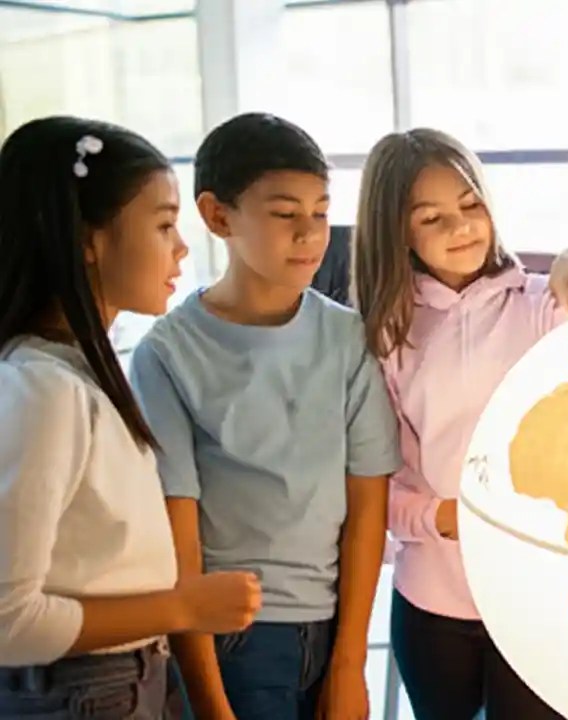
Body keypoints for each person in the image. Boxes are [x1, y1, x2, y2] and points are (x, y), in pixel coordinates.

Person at [128, 113, 401, 720]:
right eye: (284, 214)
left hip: (331, 627)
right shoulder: (168, 353)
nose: (309, 233)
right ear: (218, 215)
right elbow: (180, 543)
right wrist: (210, 700)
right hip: (234, 638)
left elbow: (366, 509)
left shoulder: (347, 336)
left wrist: (351, 662)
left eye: (321, 212)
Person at [0, 116, 261, 717]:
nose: (182, 247)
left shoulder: (79, 373)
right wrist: (185, 607)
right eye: (164, 223)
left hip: (126, 677)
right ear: (87, 238)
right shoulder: (43, 389)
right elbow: (10, 619)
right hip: (87, 688)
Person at [353, 127, 568, 719]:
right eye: (432, 218)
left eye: (470, 206)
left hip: (536, 601)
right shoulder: (384, 337)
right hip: (431, 604)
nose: (461, 227)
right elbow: (377, 486)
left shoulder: (545, 305)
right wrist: (440, 518)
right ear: (399, 231)